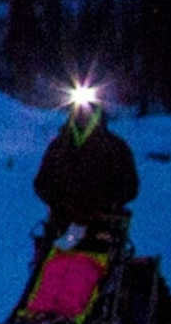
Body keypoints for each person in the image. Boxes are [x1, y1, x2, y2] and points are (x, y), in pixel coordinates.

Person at [33, 88, 138, 244]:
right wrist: (63, 205)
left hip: (102, 224)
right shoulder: (59, 146)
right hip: (63, 224)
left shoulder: (115, 147)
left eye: (88, 111)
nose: (83, 115)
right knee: (52, 263)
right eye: (79, 111)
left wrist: (103, 205)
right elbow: (42, 183)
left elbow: (130, 186)